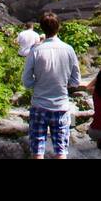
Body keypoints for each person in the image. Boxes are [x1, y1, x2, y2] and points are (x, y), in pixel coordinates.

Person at [22, 12, 82, 159]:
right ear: (58, 27)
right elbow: (76, 80)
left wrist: (37, 84)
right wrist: (65, 84)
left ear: (42, 29)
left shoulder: (35, 51)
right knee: (61, 151)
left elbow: (26, 81)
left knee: (37, 151)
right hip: (61, 105)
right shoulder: (69, 49)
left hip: (39, 104)